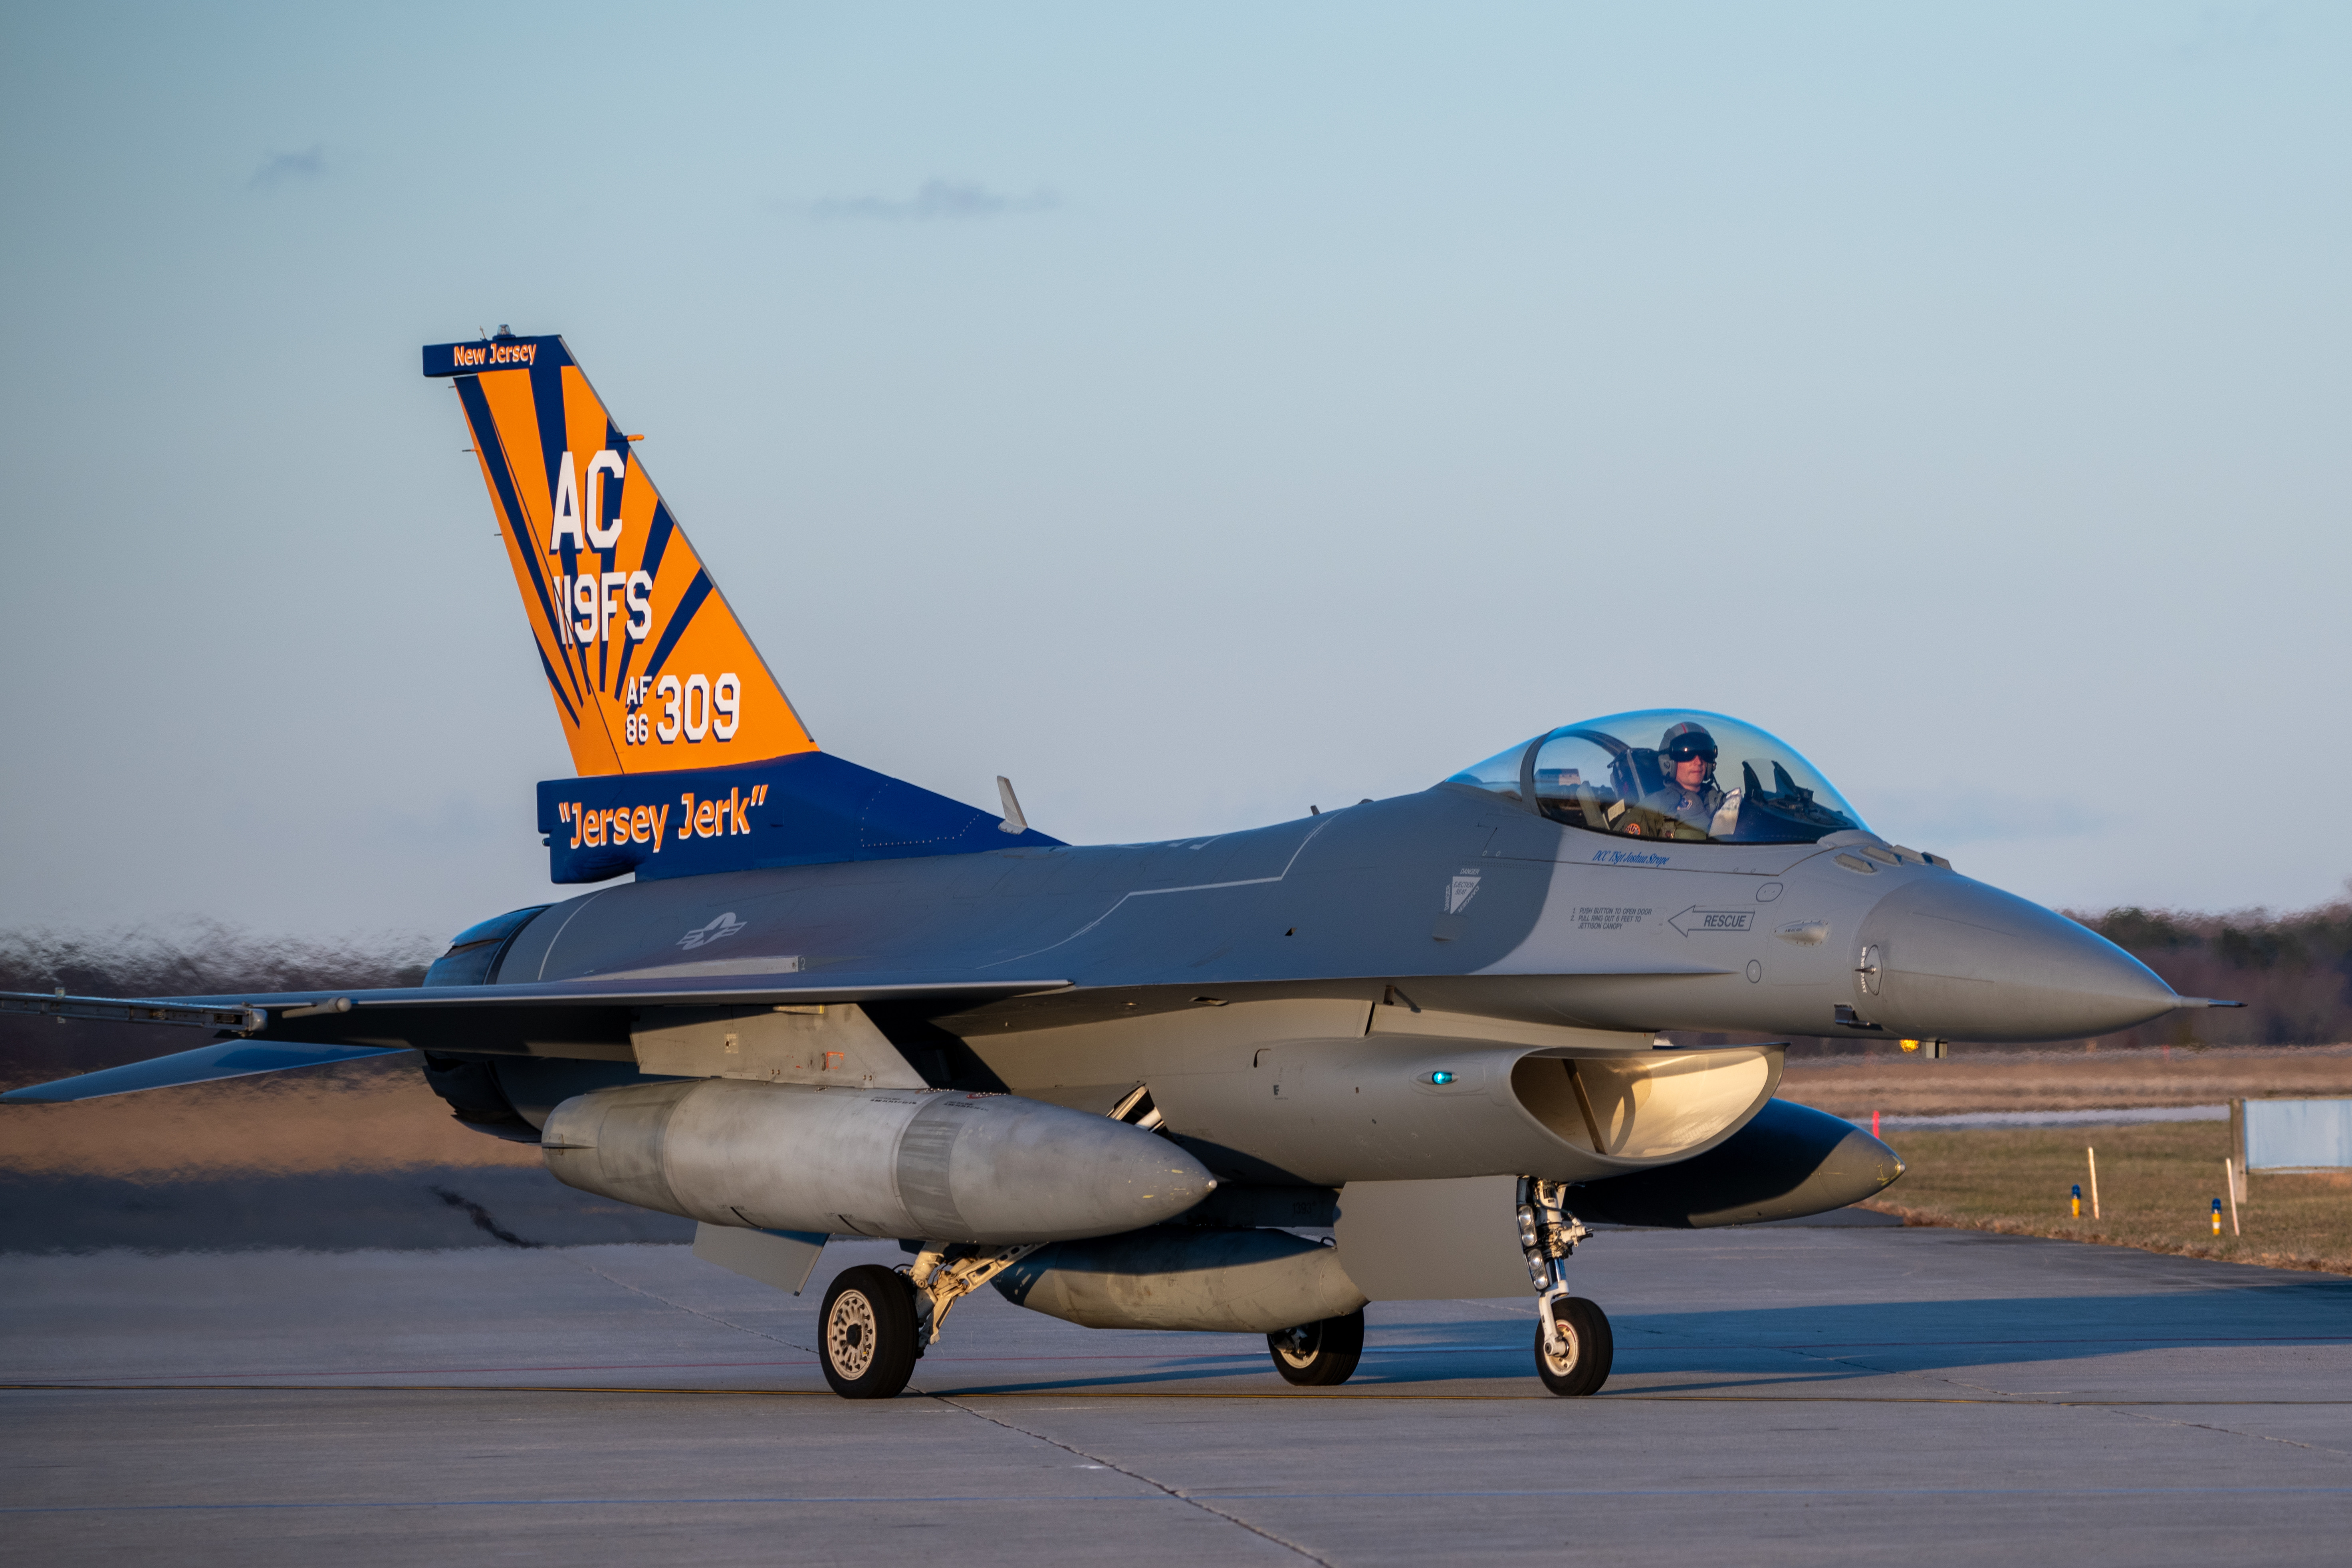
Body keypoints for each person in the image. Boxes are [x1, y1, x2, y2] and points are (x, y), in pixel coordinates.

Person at [1628, 721, 1738, 838]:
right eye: (1687, 754)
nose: (1699, 762)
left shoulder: (1726, 804)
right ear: (1669, 762)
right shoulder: (1652, 808)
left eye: (1705, 754)